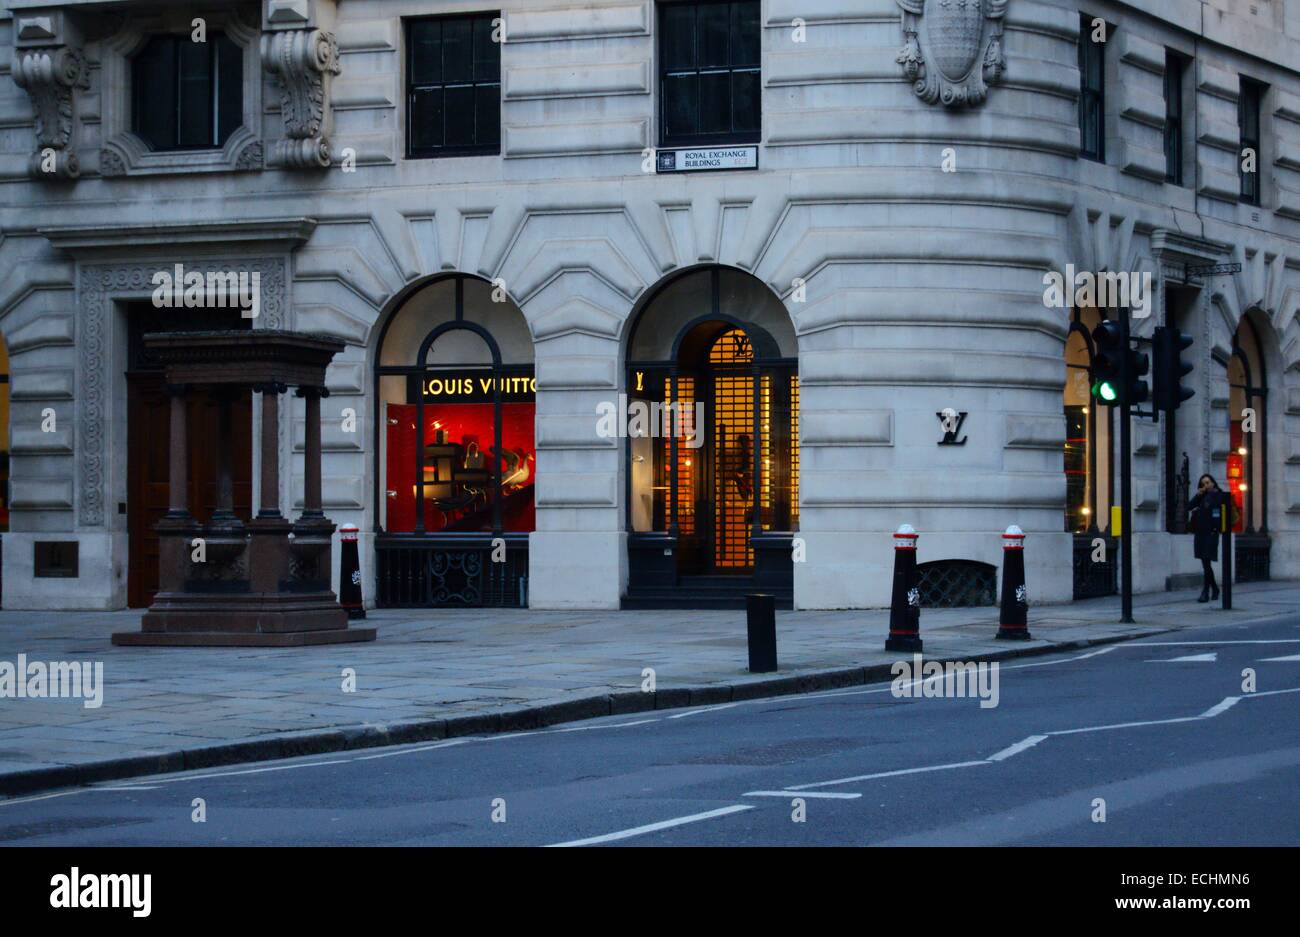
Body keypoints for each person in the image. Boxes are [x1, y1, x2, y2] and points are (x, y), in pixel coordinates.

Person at [1187, 473, 1232, 603]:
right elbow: (1189, 506)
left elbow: (1219, 514)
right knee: (1205, 563)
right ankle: (1214, 589)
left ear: (1213, 482)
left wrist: (1216, 529)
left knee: (1207, 562)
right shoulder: (1202, 496)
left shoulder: (1219, 495)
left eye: (1207, 482)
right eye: (1203, 484)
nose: (1205, 485)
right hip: (1200, 533)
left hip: (1211, 533)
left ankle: (1205, 591)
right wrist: (1198, 494)